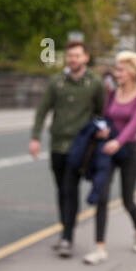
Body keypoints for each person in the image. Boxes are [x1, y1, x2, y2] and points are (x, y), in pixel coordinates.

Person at [30, 40, 105, 258]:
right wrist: (35, 138)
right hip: (57, 145)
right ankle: (66, 229)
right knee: (61, 190)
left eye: (77, 55)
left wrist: (98, 133)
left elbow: (100, 112)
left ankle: (67, 237)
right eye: (70, 56)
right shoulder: (56, 82)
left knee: (71, 189)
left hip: (79, 147)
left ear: (86, 58)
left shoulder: (94, 83)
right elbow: (43, 110)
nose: (73, 59)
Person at [83, 51, 136, 264]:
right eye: (116, 69)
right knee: (101, 196)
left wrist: (118, 142)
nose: (116, 73)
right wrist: (101, 130)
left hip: (128, 151)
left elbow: (134, 125)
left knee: (127, 199)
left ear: (132, 72)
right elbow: (103, 117)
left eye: (120, 69)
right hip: (108, 150)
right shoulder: (112, 94)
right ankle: (99, 248)